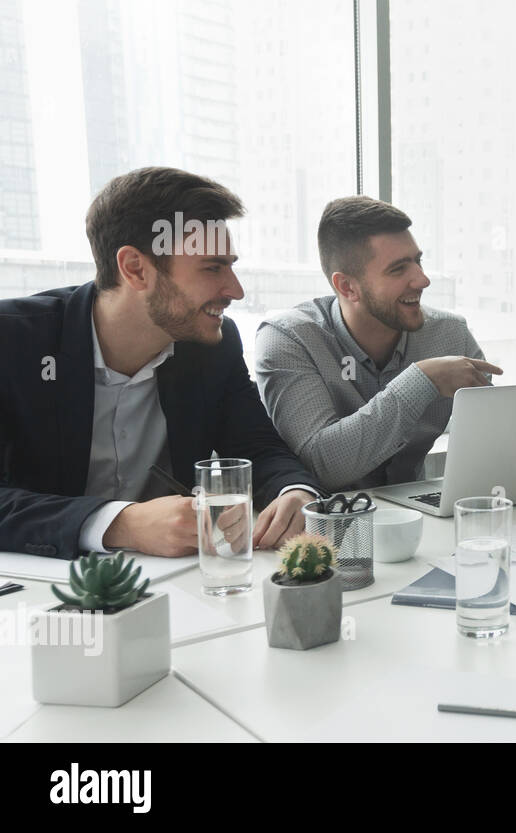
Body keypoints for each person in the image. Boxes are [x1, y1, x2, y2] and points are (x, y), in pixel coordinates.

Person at [0, 167, 322, 558]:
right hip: (40, 591)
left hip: (175, 583)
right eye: (212, 267)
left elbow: (260, 446)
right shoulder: (13, 341)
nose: (235, 289)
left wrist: (295, 492)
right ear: (135, 268)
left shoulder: (212, 346)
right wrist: (121, 523)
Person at [255, 197, 501, 493]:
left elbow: (494, 439)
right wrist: (421, 381)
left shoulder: (450, 334)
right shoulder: (290, 340)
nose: (422, 280)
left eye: (417, 261)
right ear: (347, 287)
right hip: (327, 526)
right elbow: (324, 464)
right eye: (398, 269)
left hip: (416, 518)